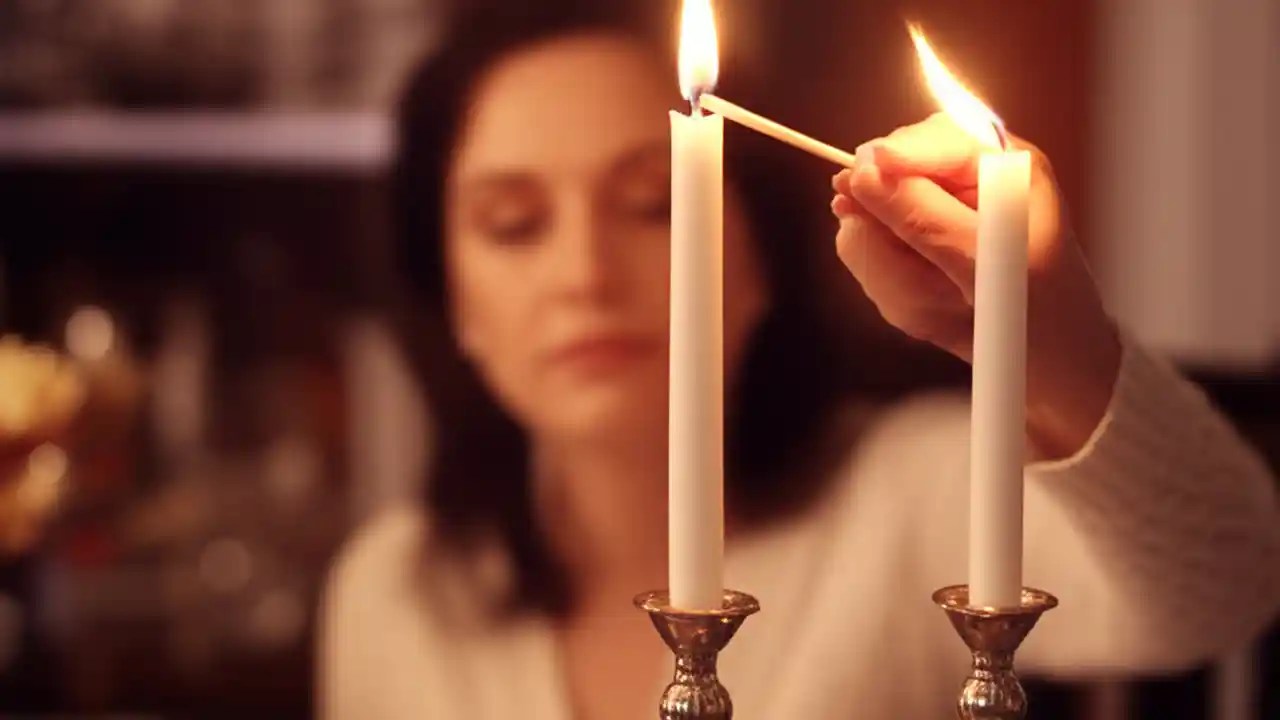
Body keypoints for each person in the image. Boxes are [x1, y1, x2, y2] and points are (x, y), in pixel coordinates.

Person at [320, 7, 1280, 719]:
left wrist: (1048, 332)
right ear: (450, 298)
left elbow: (1226, 582)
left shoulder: (913, 495)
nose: (584, 274)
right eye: (514, 225)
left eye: (656, 204)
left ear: (761, 254)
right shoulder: (394, 594)